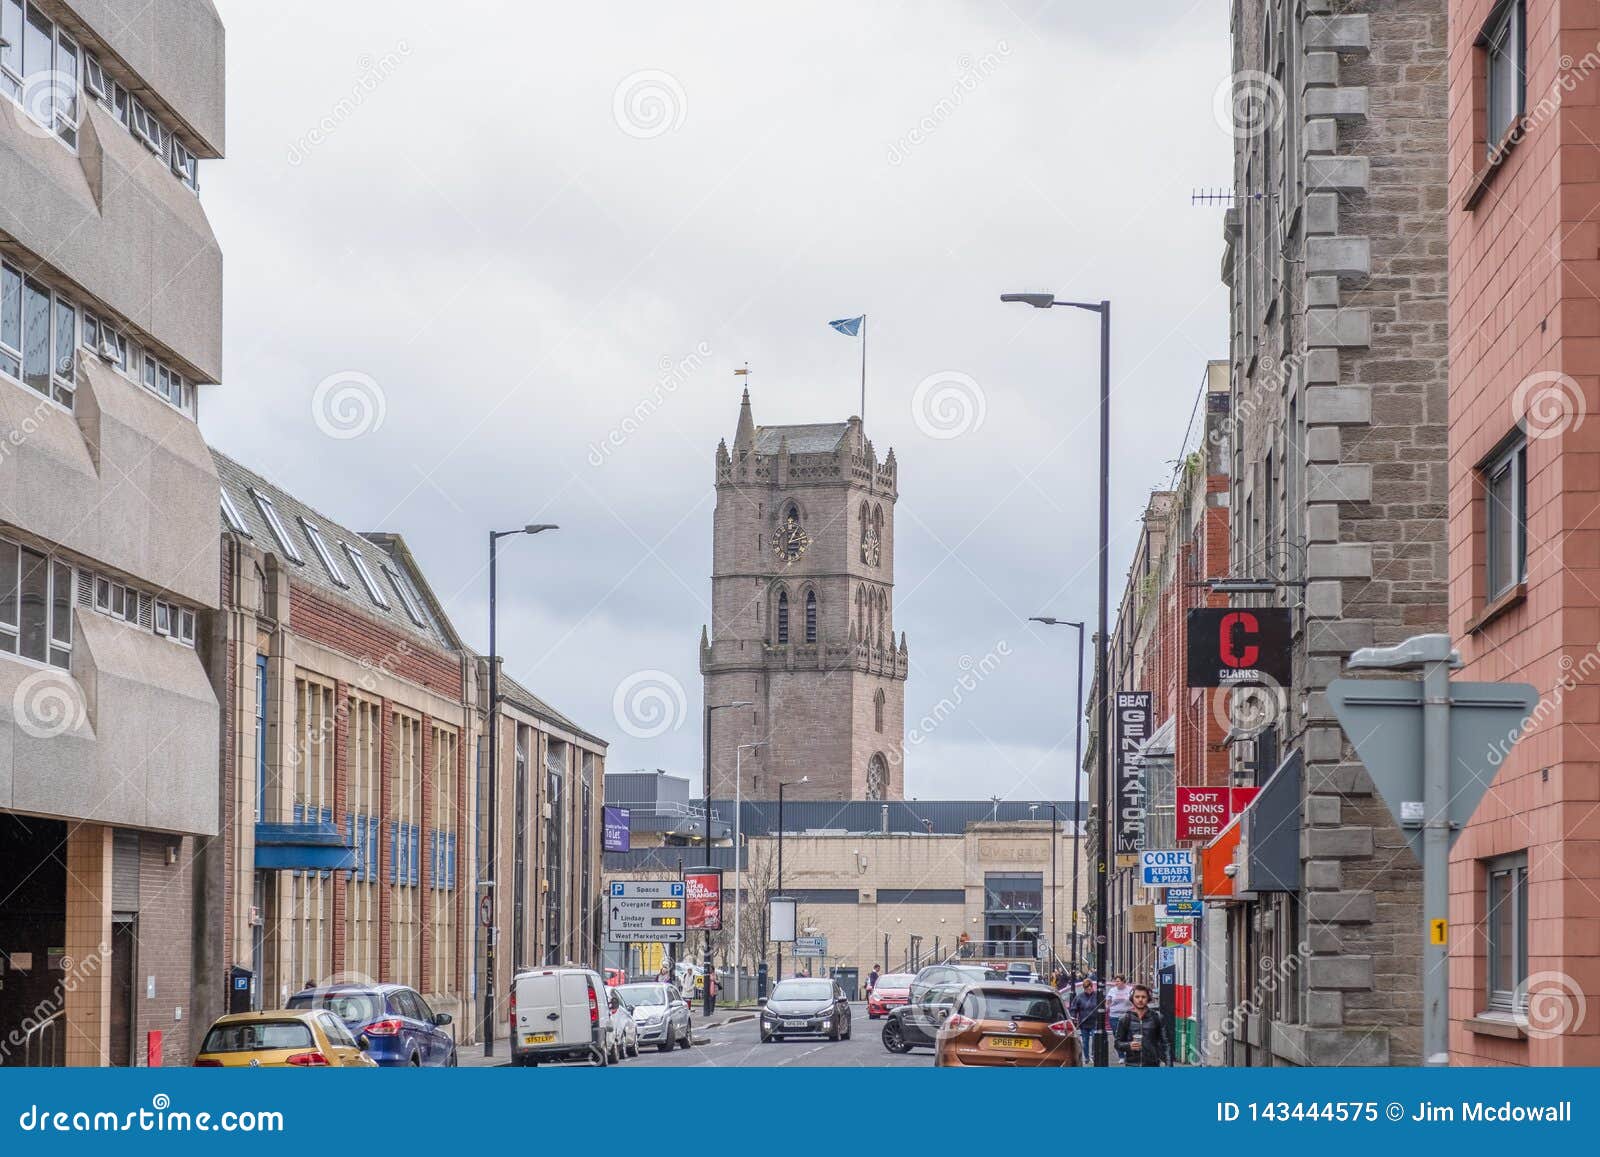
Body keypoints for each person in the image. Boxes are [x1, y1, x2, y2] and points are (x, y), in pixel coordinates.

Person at [1113, 983, 1168, 1067]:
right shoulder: (1125, 1019)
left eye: (1143, 997)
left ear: (1148, 999)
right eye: (1137, 997)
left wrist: (1169, 1064)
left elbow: (1166, 1044)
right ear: (1132, 998)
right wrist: (1129, 1045)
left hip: (1152, 1065)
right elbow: (1117, 1043)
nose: (1140, 1000)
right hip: (1131, 1065)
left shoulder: (1157, 1018)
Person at [1068, 976, 1104, 1066]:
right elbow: (1073, 1009)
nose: (1089, 989)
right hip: (1084, 1023)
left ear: (1092, 986)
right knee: (1085, 1041)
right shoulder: (1079, 997)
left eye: (1090, 987)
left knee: (1095, 1040)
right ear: (1084, 988)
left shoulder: (1097, 996)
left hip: (1095, 1021)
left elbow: (1102, 1006)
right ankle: (1087, 1058)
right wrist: (1074, 1018)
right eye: (1087, 988)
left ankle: (1093, 1055)